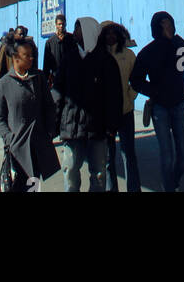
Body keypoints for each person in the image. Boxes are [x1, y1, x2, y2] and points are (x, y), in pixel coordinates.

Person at [130, 11, 184, 194]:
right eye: (164, 24)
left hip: (178, 103)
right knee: (167, 155)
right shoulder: (148, 52)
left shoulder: (177, 47)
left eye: (170, 24)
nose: (168, 27)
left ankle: (172, 182)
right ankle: (169, 188)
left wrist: (175, 39)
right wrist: (153, 91)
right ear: (157, 28)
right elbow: (135, 80)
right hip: (160, 107)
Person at [54, 16, 122, 192]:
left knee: (99, 174)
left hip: (97, 128)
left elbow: (114, 96)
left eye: (78, 28)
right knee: (70, 170)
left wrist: (112, 126)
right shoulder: (69, 59)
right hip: (72, 127)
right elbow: (58, 91)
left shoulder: (106, 61)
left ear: (88, 32)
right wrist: (55, 122)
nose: (74, 32)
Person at [0, 40, 60, 192]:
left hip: (36, 148)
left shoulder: (38, 78)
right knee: (16, 187)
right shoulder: (4, 84)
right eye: (27, 55)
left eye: (32, 55)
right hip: (17, 150)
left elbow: (49, 106)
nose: (31, 58)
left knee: (33, 186)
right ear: (16, 58)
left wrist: (49, 130)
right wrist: (9, 138)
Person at [100, 21, 141, 193]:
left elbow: (137, 79)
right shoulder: (98, 56)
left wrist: (130, 97)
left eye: (113, 32)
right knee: (108, 156)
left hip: (125, 111)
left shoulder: (128, 55)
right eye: (107, 33)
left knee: (128, 154)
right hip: (106, 114)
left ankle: (134, 188)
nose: (111, 36)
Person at [43, 13, 75, 132]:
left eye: (63, 24)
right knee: (56, 104)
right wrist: (45, 80)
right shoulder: (50, 42)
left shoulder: (71, 39)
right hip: (56, 79)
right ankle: (55, 130)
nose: (61, 26)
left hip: (70, 77)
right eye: (59, 24)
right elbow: (46, 64)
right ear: (55, 25)